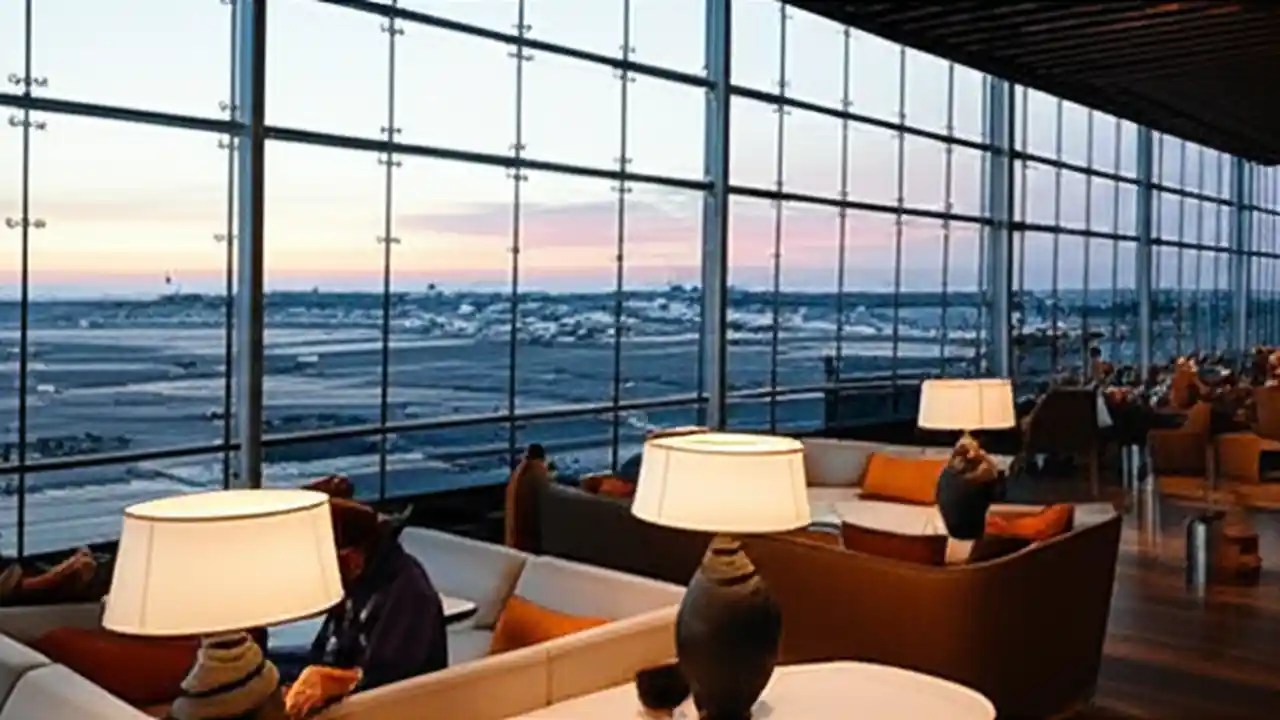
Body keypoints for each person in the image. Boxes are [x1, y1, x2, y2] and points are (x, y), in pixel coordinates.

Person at [306, 499, 447, 694]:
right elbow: (326, 651)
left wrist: (339, 682)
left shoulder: (409, 595)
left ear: (351, 559)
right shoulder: (353, 584)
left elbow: (389, 681)